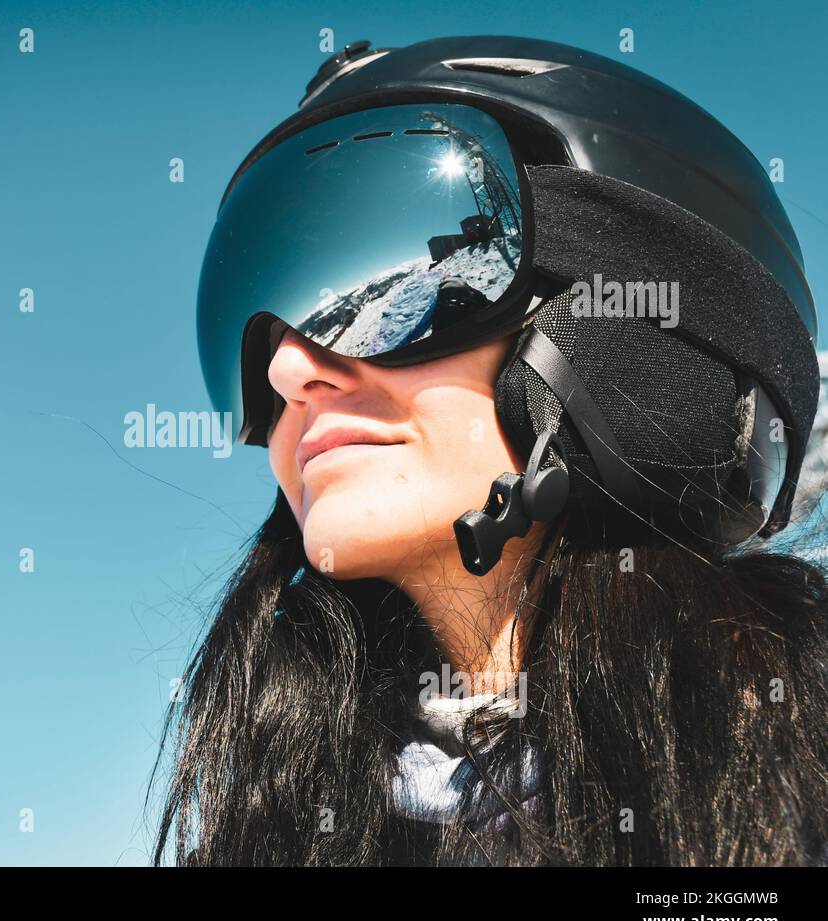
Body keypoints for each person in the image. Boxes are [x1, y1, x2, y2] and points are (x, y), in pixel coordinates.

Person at [151, 36, 828, 866]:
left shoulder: (800, 757)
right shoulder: (270, 824)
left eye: (379, 308)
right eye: (257, 329)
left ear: (624, 327)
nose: (290, 369)